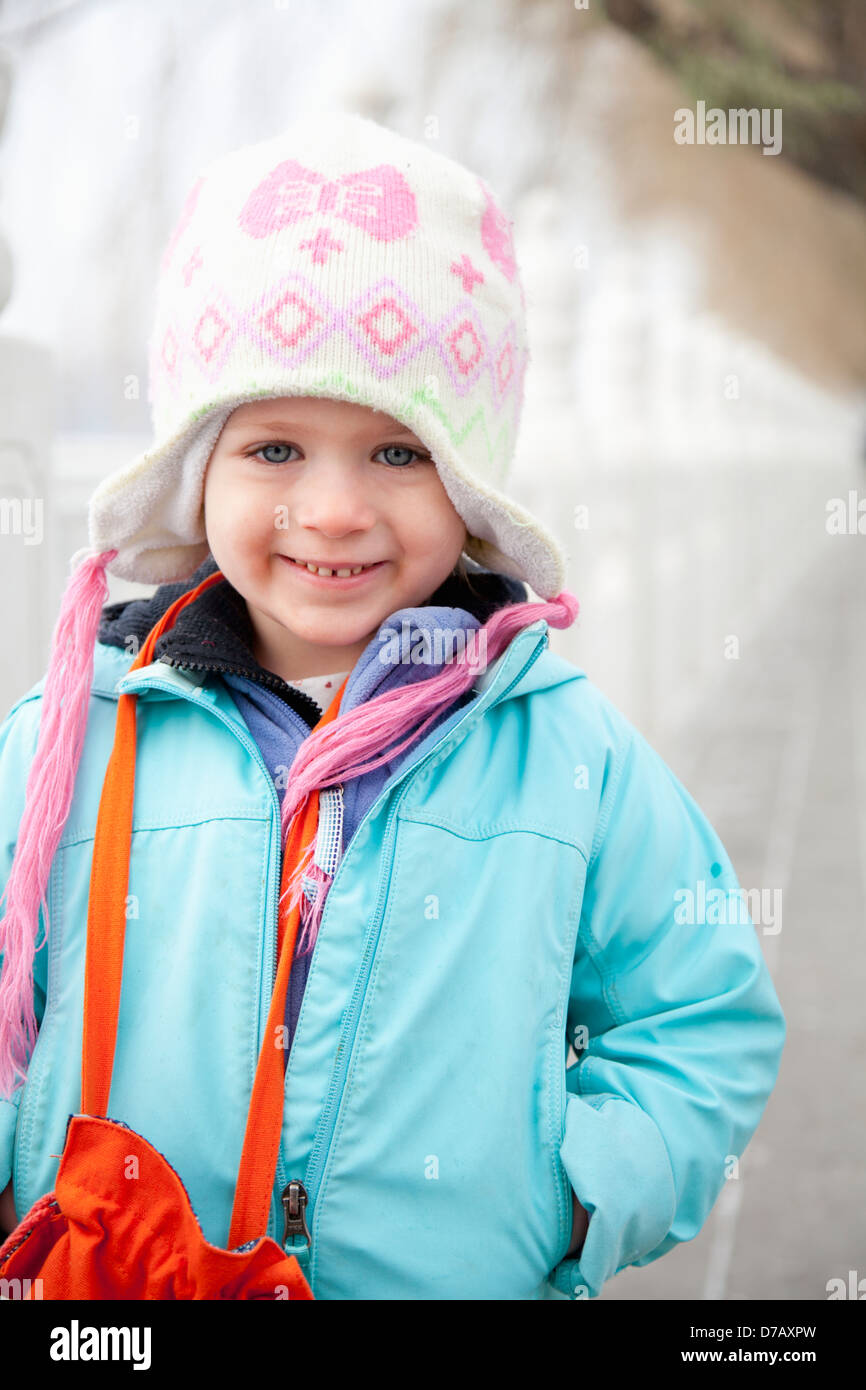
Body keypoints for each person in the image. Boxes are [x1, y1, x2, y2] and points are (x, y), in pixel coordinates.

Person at [0, 111, 784, 1300]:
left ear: (466, 487)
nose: (330, 510)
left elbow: (700, 1013)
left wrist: (566, 1193)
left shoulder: (559, 751)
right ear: (196, 468)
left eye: (397, 454)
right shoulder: (72, 743)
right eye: (272, 450)